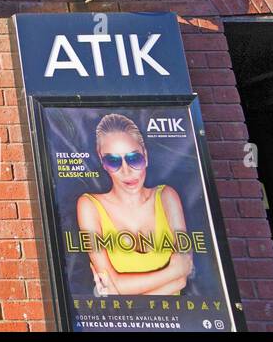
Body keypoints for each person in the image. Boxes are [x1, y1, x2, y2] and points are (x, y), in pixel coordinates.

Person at [76, 113, 191, 295]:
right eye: (113, 161)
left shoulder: (167, 196)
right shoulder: (89, 206)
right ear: (102, 162)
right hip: (120, 323)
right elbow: (111, 284)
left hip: (178, 321)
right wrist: (173, 274)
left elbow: (184, 274)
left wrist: (121, 295)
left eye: (134, 158)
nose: (126, 170)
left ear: (146, 155)